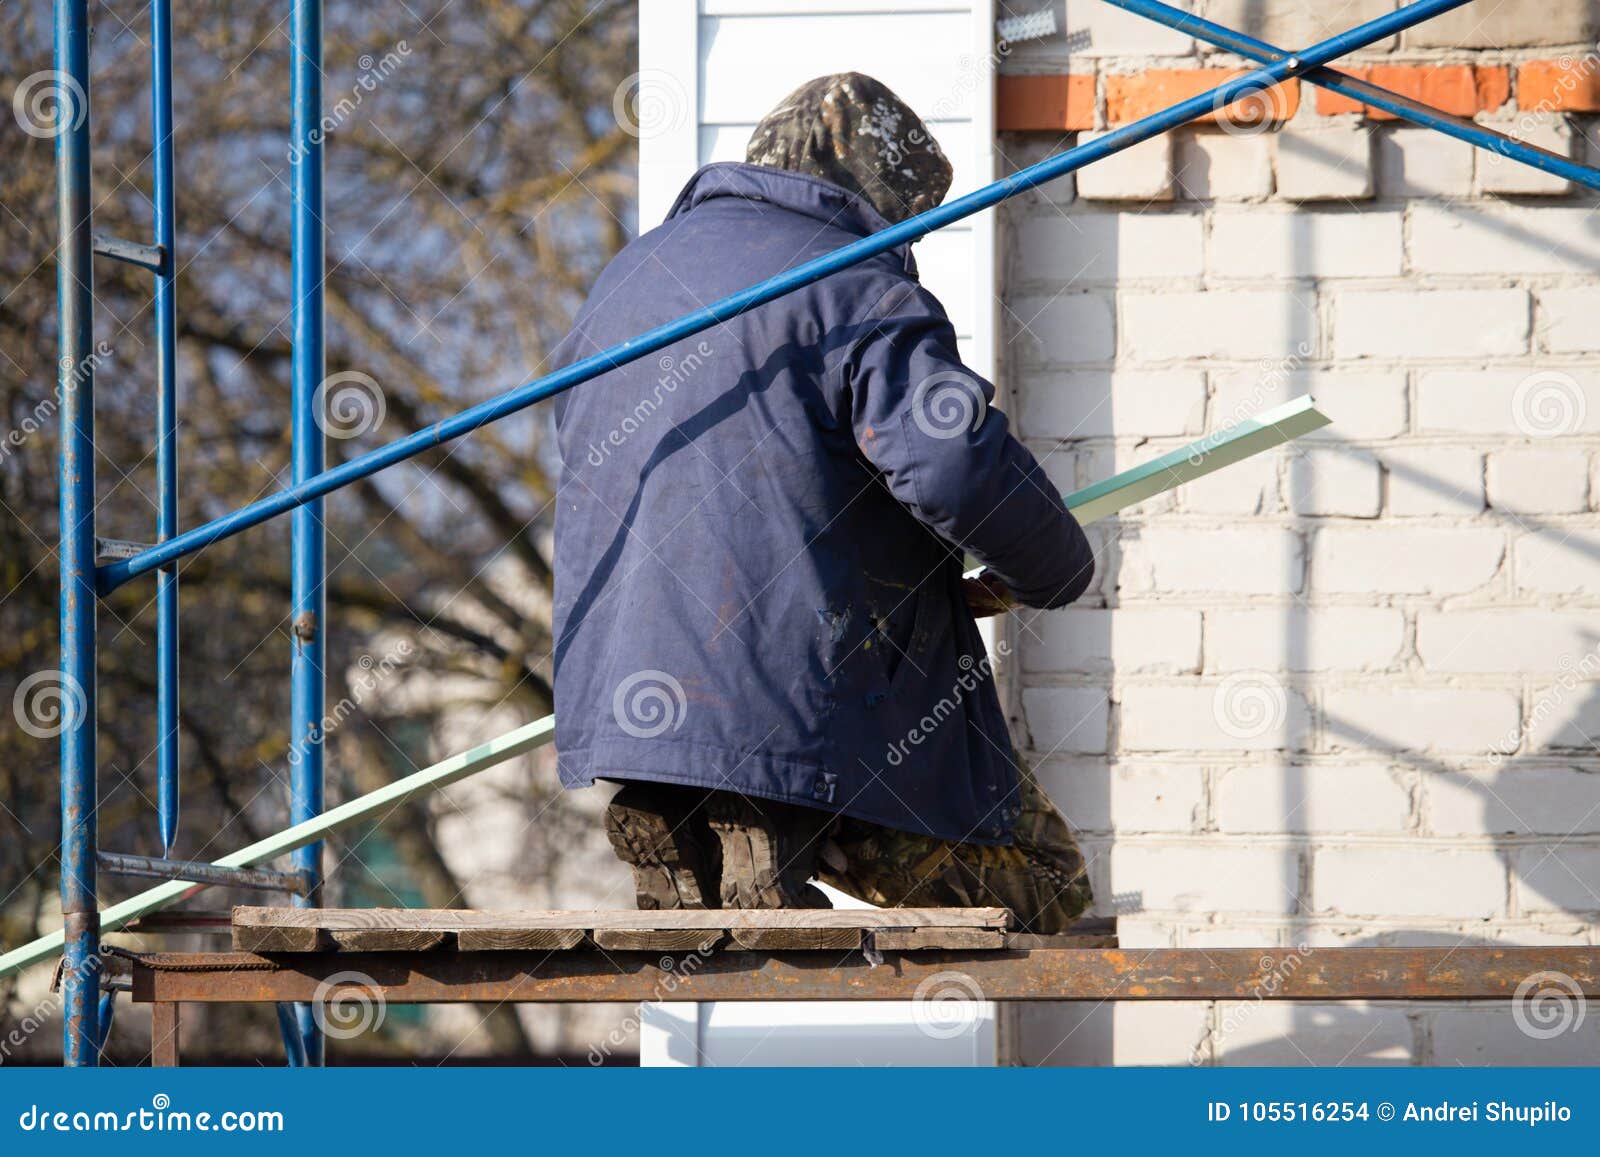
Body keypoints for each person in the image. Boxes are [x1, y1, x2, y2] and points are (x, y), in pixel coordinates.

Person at [548, 73, 1096, 931]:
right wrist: (1055, 566)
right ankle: (777, 816)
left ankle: (691, 806)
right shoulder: (856, 288)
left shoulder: (626, 280)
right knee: (1046, 883)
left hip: (626, 701)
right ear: (880, 197)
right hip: (800, 700)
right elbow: (951, 464)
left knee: (732, 742)